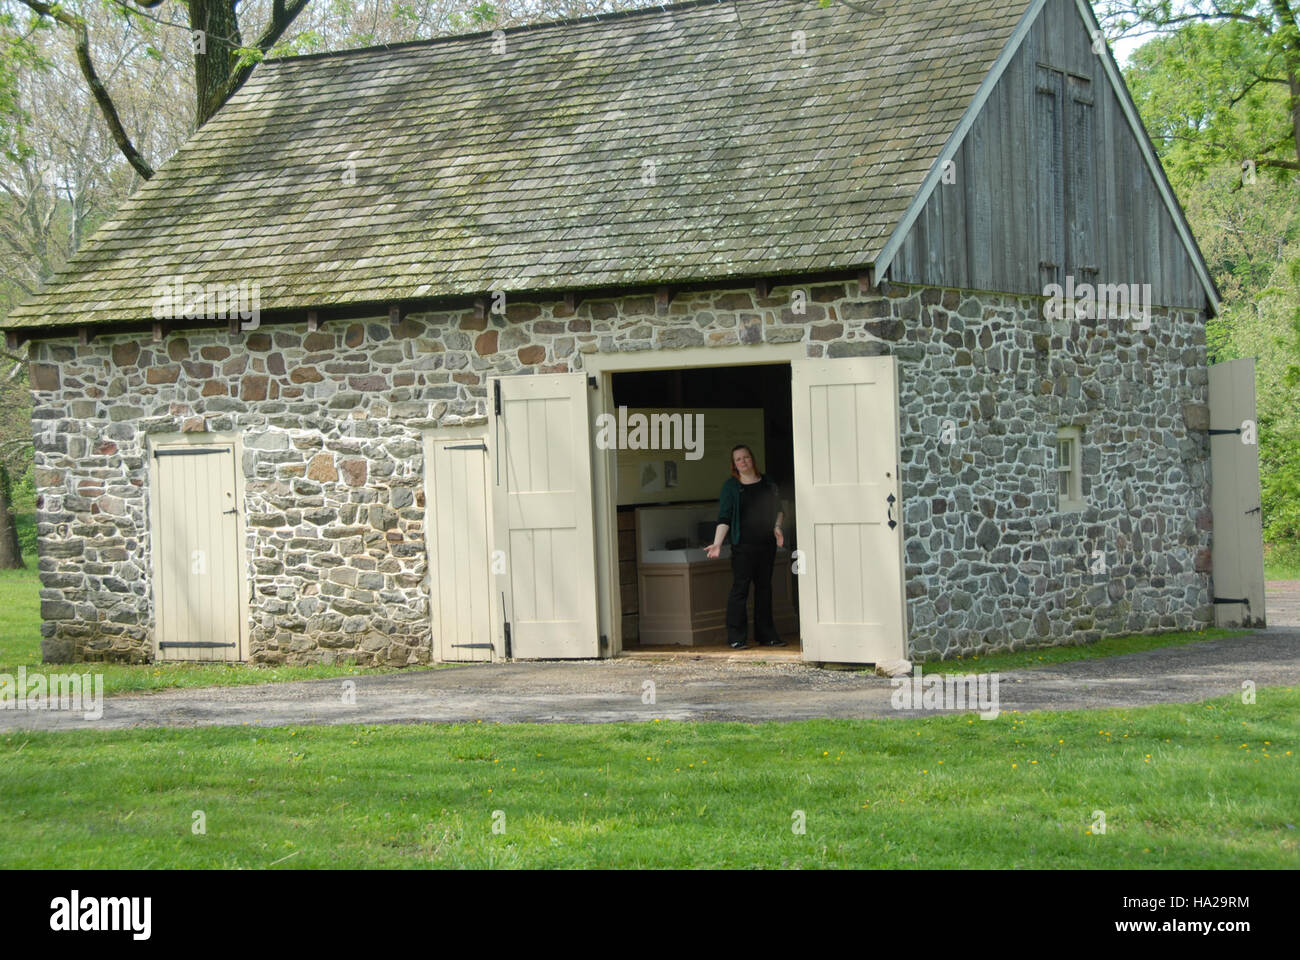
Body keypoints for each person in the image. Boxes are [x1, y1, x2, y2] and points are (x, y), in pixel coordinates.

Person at [705, 444, 786, 649]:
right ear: (734, 465)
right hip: (743, 546)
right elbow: (724, 517)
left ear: (753, 459)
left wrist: (777, 528)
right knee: (740, 590)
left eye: (746, 457)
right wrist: (717, 543)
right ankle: (736, 637)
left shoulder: (767, 482)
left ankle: (767, 635)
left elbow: (779, 509)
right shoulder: (731, 487)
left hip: (766, 545)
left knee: (764, 589)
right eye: (739, 459)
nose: (743, 462)